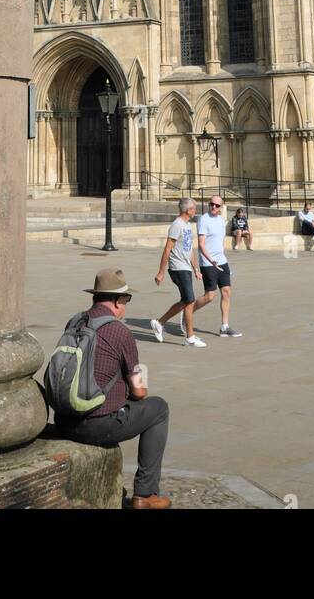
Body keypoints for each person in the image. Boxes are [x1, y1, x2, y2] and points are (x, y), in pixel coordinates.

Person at [53, 270, 171, 510]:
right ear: (118, 301)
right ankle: (146, 495)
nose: (125, 307)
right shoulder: (120, 331)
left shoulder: (75, 320)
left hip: (64, 418)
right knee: (159, 409)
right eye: (126, 301)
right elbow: (139, 392)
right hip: (96, 424)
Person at [150, 198, 205, 347]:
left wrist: (196, 269)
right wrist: (161, 272)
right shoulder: (177, 225)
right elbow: (167, 249)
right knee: (189, 299)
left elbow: (189, 249)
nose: (196, 210)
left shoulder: (187, 226)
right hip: (177, 267)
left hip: (186, 267)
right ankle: (161, 323)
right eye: (194, 208)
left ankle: (189, 336)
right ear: (188, 210)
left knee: (188, 300)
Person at [195, 196, 242, 337]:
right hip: (208, 262)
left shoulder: (221, 221)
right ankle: (188, 312)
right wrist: (211, 260)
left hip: (222, 261)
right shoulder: (203, 219)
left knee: (226, 292)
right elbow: (201, 244)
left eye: (216, 205)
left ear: (221, 207)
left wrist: (223, 260)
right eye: (211, 204)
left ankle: (224, 327)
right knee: (209, 296)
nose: (213, 207)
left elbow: (219, 243)